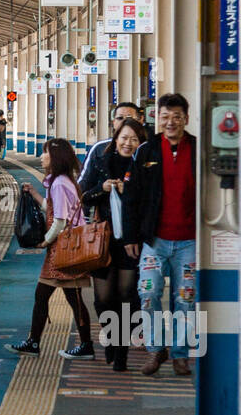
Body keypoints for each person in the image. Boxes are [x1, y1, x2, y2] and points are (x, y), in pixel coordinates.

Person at [122, 92, 197, 377]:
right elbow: (131, 196)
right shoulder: (146, 151)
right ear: (157, 119)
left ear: (186, 119)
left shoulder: (197, 149)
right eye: (165, 117)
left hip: (189, 241)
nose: (170, 122)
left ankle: (180, 355)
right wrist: (131, 237)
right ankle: (156, 350)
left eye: (176, 117)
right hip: (154, 240)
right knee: (149, 292)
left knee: (186, 299)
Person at [10, 137, 95, 361]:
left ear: (55, 157)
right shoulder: (63, 181)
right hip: (65, 250)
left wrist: (44, 242)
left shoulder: (58, 184)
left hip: (66, 251)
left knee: (71, 298)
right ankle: (34, 342)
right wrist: (36, 194)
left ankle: (84, 345)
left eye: (45, 152)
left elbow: (60, 220)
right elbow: (54, 207)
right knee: (51, 296)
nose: (41, 156)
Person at [80, 117, 146, 372]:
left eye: (134, 139)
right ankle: (110, 335)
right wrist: (104, 188)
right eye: (124, 138)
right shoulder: (102, 161)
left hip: (131, 242)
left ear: (140, 143)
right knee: (104, 299)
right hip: (104, 240)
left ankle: (121, 353)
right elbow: (84, 195)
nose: (128, 143)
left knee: (127, 296)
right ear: (116, 138)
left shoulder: (143, 166)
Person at [79, 101, 142, 192]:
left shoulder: (147, 150)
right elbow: (82, 187)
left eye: (129, 118)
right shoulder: (99, 149)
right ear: (113, 122)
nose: (124, 122)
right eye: (120, 118)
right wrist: (101, 189)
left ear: (140, 121)